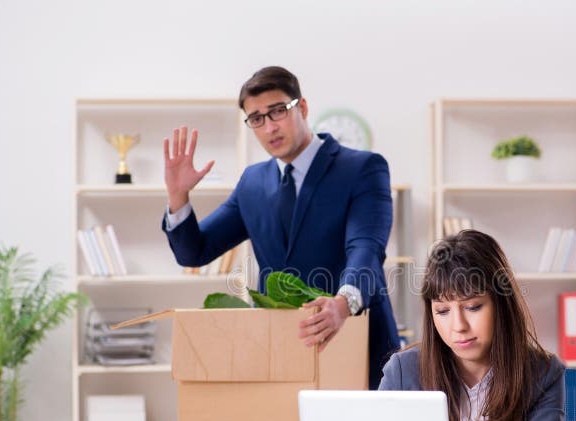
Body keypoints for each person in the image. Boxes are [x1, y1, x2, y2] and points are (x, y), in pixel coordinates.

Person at [161, 66, 399, 388]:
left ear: (301, 107)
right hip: (285, 352)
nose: (269, 126)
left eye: (277, 112)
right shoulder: (252, 183)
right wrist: (178, 196)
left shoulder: (362, 168)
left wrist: (343, 304)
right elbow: (195, 251)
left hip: (357, 342)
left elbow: (366, 248)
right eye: (256, 118)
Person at [379, 230, 565, 421]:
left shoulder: (542, 373)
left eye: (473, 307)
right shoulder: (404, 371)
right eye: (442, 311)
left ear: (501, 303)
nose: (458, 326)